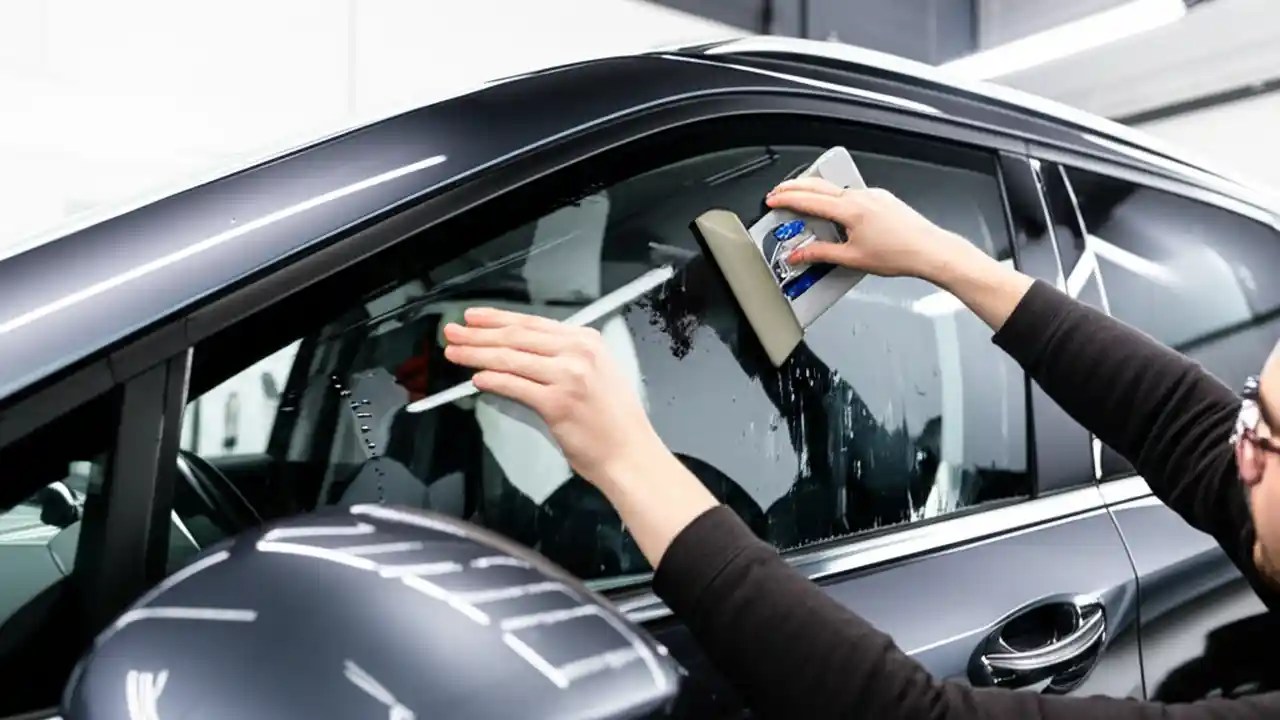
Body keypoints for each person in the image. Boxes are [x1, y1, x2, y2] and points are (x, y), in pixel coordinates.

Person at [439, 176, 1280, 718]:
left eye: (1265, 434)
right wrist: (945, 259)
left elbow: (903, 717)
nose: (1236, 450)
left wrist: (628, 459)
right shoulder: (1246, 464)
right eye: (1251, 408)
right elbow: (1183, 423)